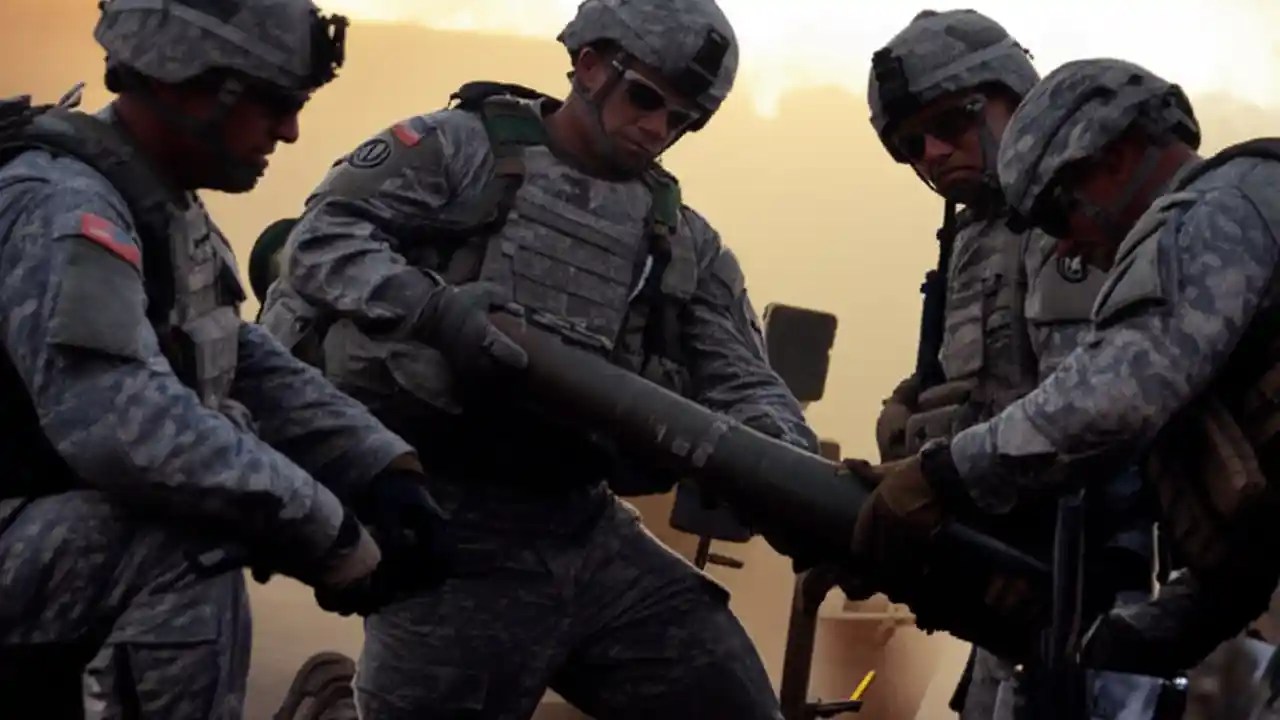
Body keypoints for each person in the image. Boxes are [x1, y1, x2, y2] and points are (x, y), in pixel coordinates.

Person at [256, 0, 818, 716]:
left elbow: (743, 375)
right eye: (646, 98)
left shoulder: (680, 239)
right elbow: (319, 242)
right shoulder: (457, 151)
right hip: (448, 520)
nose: (657, 129)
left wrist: (785, 463)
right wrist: (433, 310)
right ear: (589, 65)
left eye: (681, 120)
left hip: (587, 528)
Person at [0, 0, 445, 716]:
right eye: (274, 102)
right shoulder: (62, 205)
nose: (290, 129)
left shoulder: (153, 201)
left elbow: (238, 354)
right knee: (185, 538)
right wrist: (328, 533)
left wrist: (380, 467)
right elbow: (125, 427)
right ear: (185, 83)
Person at [845, 55, 1280, 700]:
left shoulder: (1219, 209)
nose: (1066, 248)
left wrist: (944, 476)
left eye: (1057, 214)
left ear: (1113, 158)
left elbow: (1112, 398)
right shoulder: (1216, 285)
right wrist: (1149, 633)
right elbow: (1250, 548)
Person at [864, 10, 1159, 718]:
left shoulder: (1064, 219)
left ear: (1014, 97)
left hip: (1080, 585)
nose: (933, 153)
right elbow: (982, 389)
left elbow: (1088, 412)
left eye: (953, 122)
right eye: (911, 144)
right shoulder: (971, 238)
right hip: (999, 572)